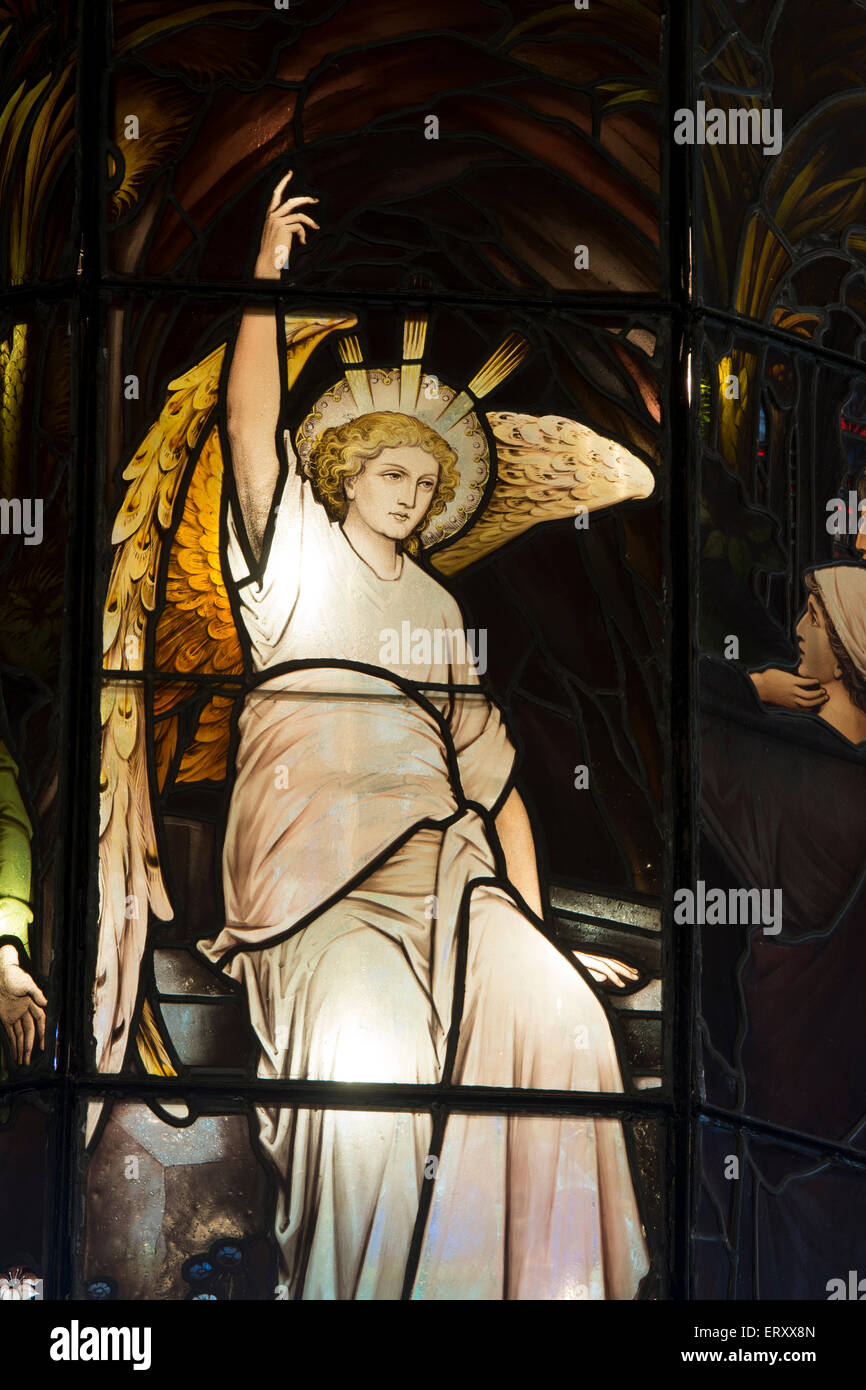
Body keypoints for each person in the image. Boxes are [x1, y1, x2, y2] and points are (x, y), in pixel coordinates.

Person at [195, 173, 650, 1299]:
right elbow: (250, 426)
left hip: (445, 875)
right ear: (347, 472)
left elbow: (493, 788)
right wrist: (261, 278)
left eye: (424, 480)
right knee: (370, 1073)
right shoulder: (291, 552)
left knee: (560, 1025)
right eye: (389, 471)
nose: (406, 492)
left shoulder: (443, 613)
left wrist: (535, 936)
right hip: (315, 882)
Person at [700, 563, 866, 1142]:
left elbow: (675, 697)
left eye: (814, 617)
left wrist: (750, 688)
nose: (797, 628)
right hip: (841, 1063)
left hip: (784, 1037)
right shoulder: (837, 766)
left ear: (844, 649)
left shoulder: (792, 764)